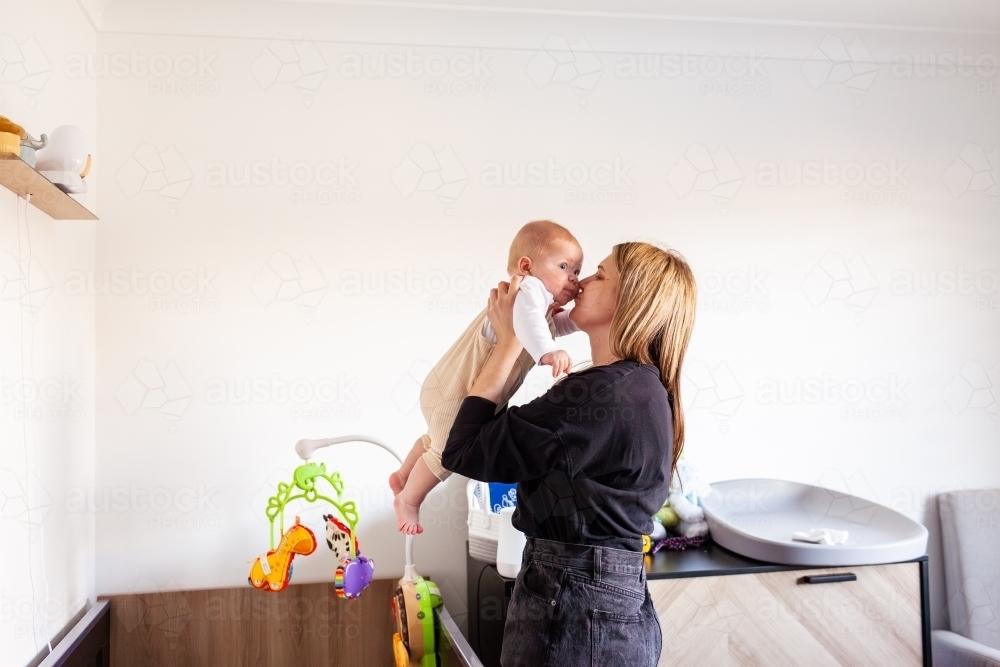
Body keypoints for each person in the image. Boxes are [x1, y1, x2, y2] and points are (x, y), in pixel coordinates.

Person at [442, 241, 697, 667]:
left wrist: (508, 341)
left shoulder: (599, 393)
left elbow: (464, 450)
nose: (581, 283)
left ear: (630, 300)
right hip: (608, 603)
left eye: (599, 275)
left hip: (574, 604)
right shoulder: (642, 387)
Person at [390, 220, 584, 534]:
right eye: (564, 267)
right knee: (444, 452)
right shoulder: (528, 290)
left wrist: (579, 319)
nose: (573, 278)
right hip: (459, 390)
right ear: (527, 266)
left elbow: (553, 326)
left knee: (435, 440)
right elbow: (530, 323)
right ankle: (409, 500)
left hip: (449, 388)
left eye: (576, 270)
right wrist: (548, 352)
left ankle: (403, 476)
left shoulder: (541, 308)